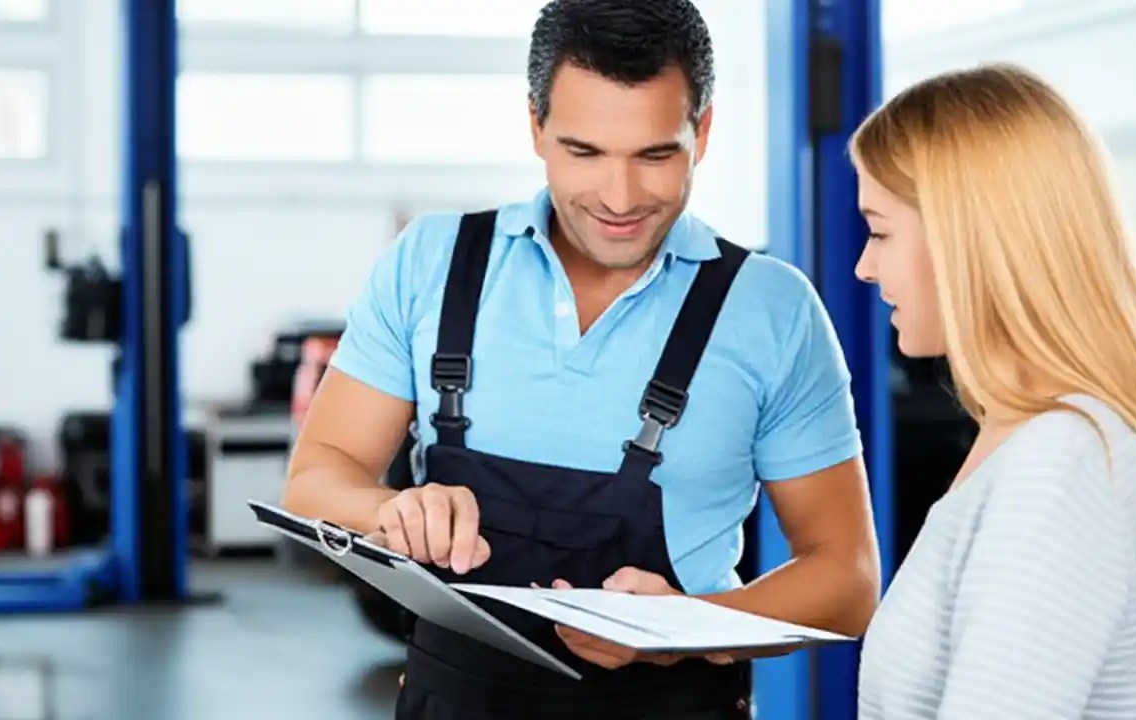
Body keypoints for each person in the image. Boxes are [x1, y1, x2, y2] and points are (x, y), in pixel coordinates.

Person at [280, 1, 881, 717]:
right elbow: (316, 477)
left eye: (655, 155)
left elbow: (846, 578)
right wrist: (393, 509)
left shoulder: (773, 310)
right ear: (536, 125)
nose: (620, 198)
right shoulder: (430, 264)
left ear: (703, 131)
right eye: (584, 152)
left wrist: (690, 628)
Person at [850, 63, 1136, 719]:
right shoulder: (1037, 442)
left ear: (971, 240)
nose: (864, 265)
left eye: (881, 231)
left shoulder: (1061, 462)